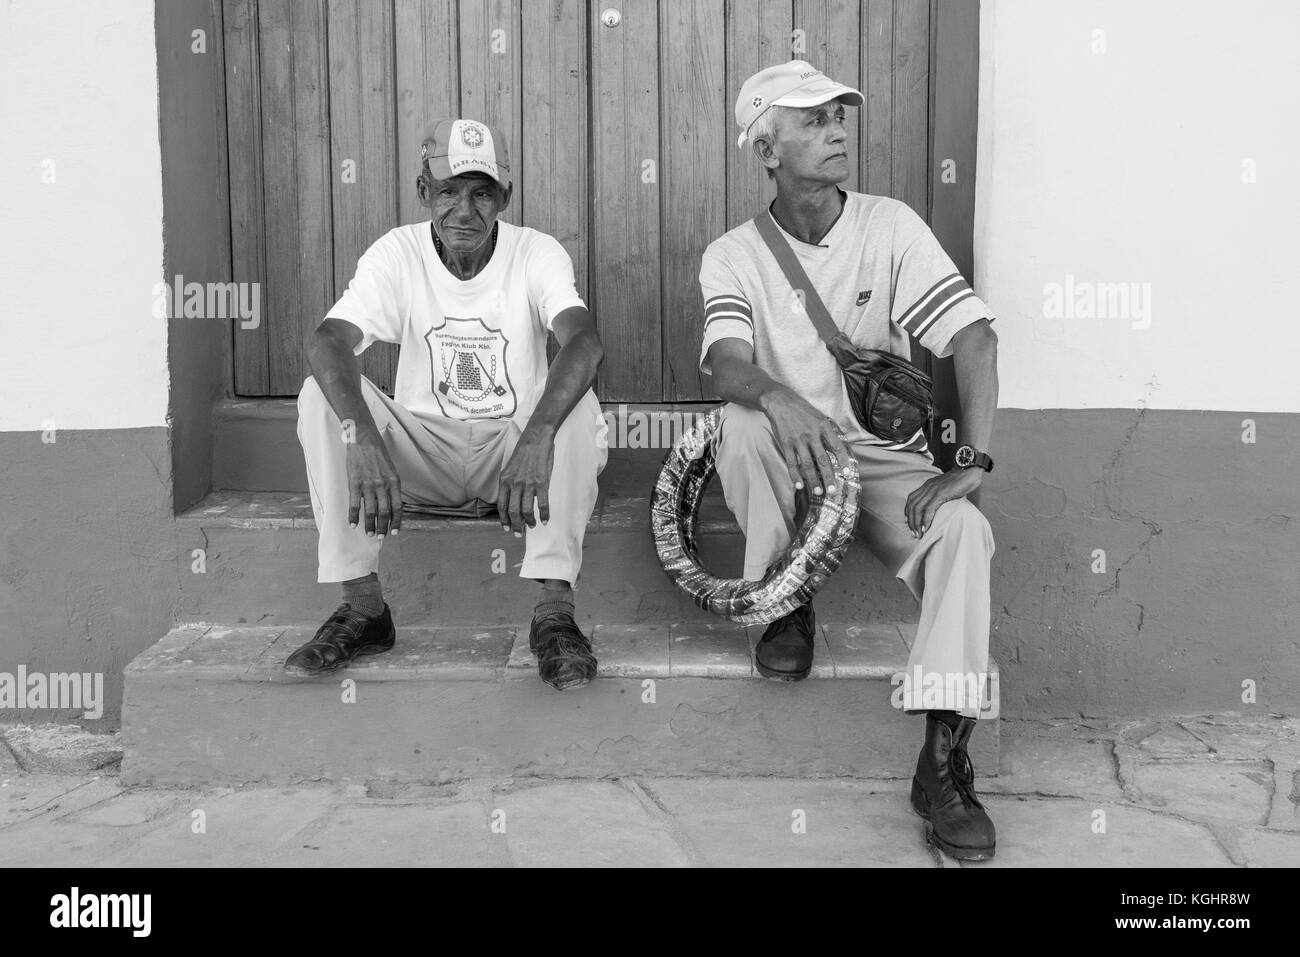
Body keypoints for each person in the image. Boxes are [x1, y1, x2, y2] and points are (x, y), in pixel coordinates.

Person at [699, 62, 1001, 860]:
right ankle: (784, 600)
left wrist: (969, 457)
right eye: (812, 119)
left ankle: (943, 760)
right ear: (767, 147)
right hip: (796, 451)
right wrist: (777, 393)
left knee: (965, 531)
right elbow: (725, 361)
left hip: (882, 459)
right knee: (742, 420)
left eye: (840, 114)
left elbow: (973, 337)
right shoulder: (733, 254)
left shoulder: (890, 223)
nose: (837, 129)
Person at [286, 117, 608, 692]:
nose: (464, 210)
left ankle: (554, 616)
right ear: (423, 193)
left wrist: (535, 439)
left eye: (482, 192)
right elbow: (327, 342)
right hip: (423, 456)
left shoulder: (537, 252)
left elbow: (583, 341)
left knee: (577, 406)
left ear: (504, 197)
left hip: (511, 458)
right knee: (322, 394)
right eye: (448, 191)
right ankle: (363, 608)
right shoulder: (397, 252)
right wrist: (363, 442)